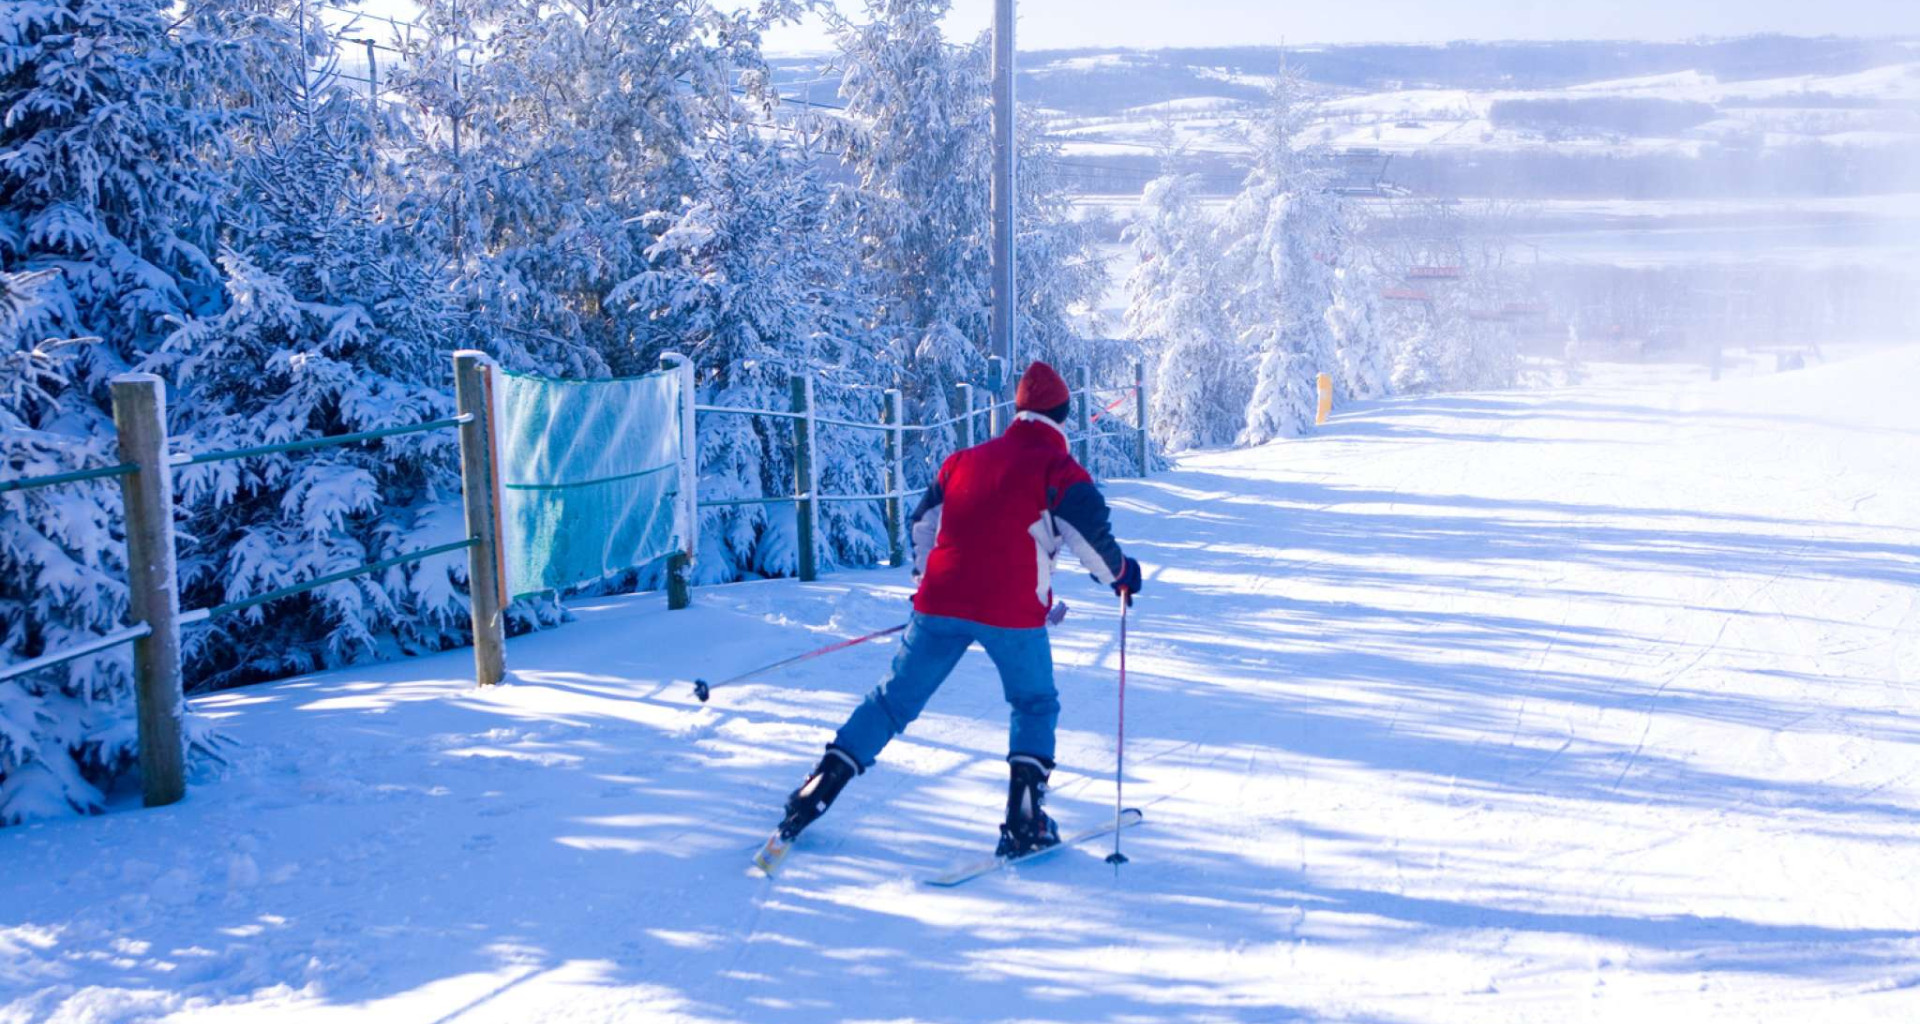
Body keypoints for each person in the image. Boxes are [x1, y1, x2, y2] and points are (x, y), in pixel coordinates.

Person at [776, 361, 1144, 857]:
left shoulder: (962, 460)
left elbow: (923, 522)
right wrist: (1123, 575)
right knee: (1034, 703)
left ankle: (817, 787)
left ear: (1019, 411)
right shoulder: (1060, 470)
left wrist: (926, 579)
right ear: (1063, 415)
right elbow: (1094, 547)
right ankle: (1024, 820)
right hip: (1013, 610)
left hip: (941, 602)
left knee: (892, 702)